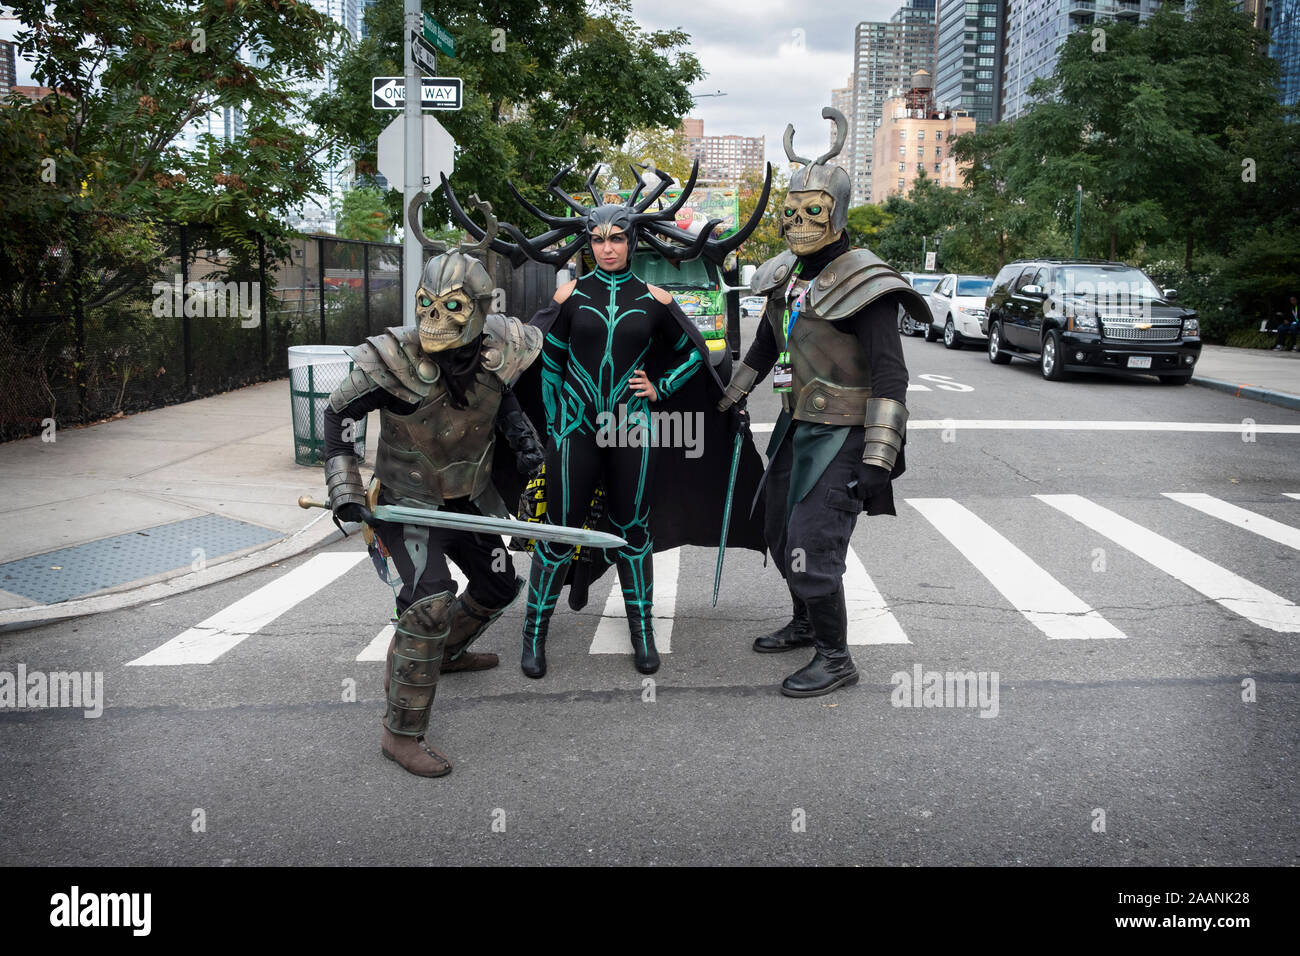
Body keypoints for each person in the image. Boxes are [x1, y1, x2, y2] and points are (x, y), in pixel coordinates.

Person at [442, 160, 772, 680]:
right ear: (589, 243)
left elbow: (698, 353)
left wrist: (659, 386)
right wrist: (554, 425)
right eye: (597, 239)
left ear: (633, 239)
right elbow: (547, 361)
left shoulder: (656, 299)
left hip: (632, 430)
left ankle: (642, 634)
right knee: (558, 532)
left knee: (632, 531)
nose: (607, 246)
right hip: (576, 432)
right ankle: (535, 638)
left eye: (618, 237)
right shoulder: (569, 296)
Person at [322, 202, 545, 778]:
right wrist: (344, 485)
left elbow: (502, 397)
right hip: (404, 501)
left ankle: (444, 653)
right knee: (428, 602)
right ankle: (401, 733)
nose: (433, 319)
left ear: (479, 312)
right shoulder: (391, 359)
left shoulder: (502, 349)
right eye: (426, 304)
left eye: (451, 308)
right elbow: (340, 415)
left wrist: (522, 438)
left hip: (467, 496)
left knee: (498, 582)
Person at [716, 107, 930, 698]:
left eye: (814, 210)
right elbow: (763, 348)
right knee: (780, 534)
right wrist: (727, 399)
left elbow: (892, 375)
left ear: (836, 211)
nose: (800, 220)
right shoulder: (784, 276)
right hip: (794, 426)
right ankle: (809, 623)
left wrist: (879, 458)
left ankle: (836, 659)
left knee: (814, 544)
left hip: (844, 433)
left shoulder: (869, 283)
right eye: (792, 210)